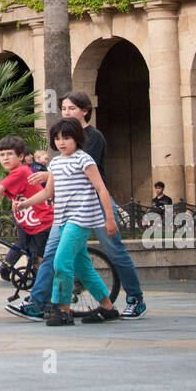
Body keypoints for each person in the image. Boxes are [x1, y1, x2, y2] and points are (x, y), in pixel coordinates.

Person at [8, 91, 146, 321]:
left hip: (92, 202)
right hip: (66, 209)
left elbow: (88, 178)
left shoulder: (91, 139)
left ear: (85, 111)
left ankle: (134, 298)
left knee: (113, 250)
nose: (66, 112)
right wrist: (30, 199)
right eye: (63, 108)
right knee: (54, 254)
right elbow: (53, 184)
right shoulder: (61, 151)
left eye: (72, 108)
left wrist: (109, 218)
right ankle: (38, 302)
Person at [13, 118, 119, 326]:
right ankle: (108, 308)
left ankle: (63, 310)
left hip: (80, 219)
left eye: (67, 137)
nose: (62, 142)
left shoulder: (84, 160)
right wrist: (25, 204)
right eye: (58, 138)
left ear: (77, 139)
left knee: (60, 262)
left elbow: (101, 189)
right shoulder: (56, 162)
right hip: (61, 219)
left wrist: (109, 219)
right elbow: (48, 192)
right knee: (83, 267)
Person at [0, 134, 53, 279]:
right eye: (1, 155)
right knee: (28, 252)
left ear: (21, 157)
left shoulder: (21, 171)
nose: (5, 158)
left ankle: (45, 296)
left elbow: (0, 188)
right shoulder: (18, 172)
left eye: (9, 154)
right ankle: (13, 272)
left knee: (40, 261)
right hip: (29, 223)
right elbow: (15, 191)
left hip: (42, 222)